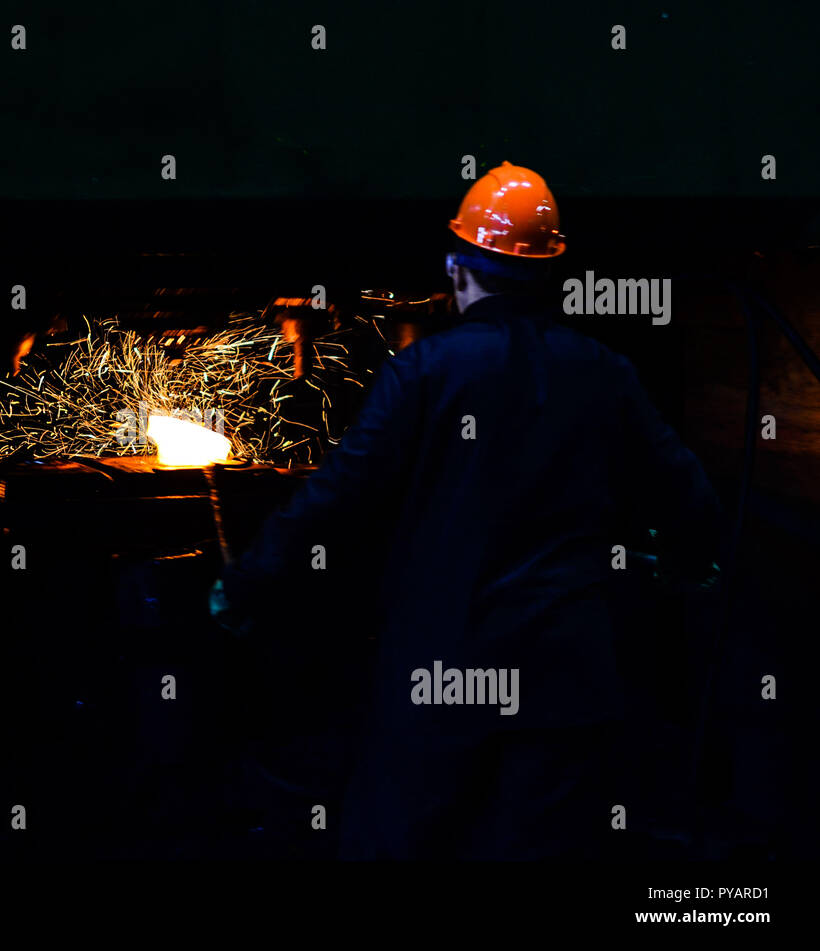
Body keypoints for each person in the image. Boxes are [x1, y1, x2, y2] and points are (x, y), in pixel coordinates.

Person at [210, 162, 723, 859]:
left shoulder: (421, 373)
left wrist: (246, 585)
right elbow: (687, 494)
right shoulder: (607, 372)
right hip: (564, 681)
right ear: (550, 273)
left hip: (441, 674)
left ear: (458, 269)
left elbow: (334, 501)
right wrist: (687, 565)